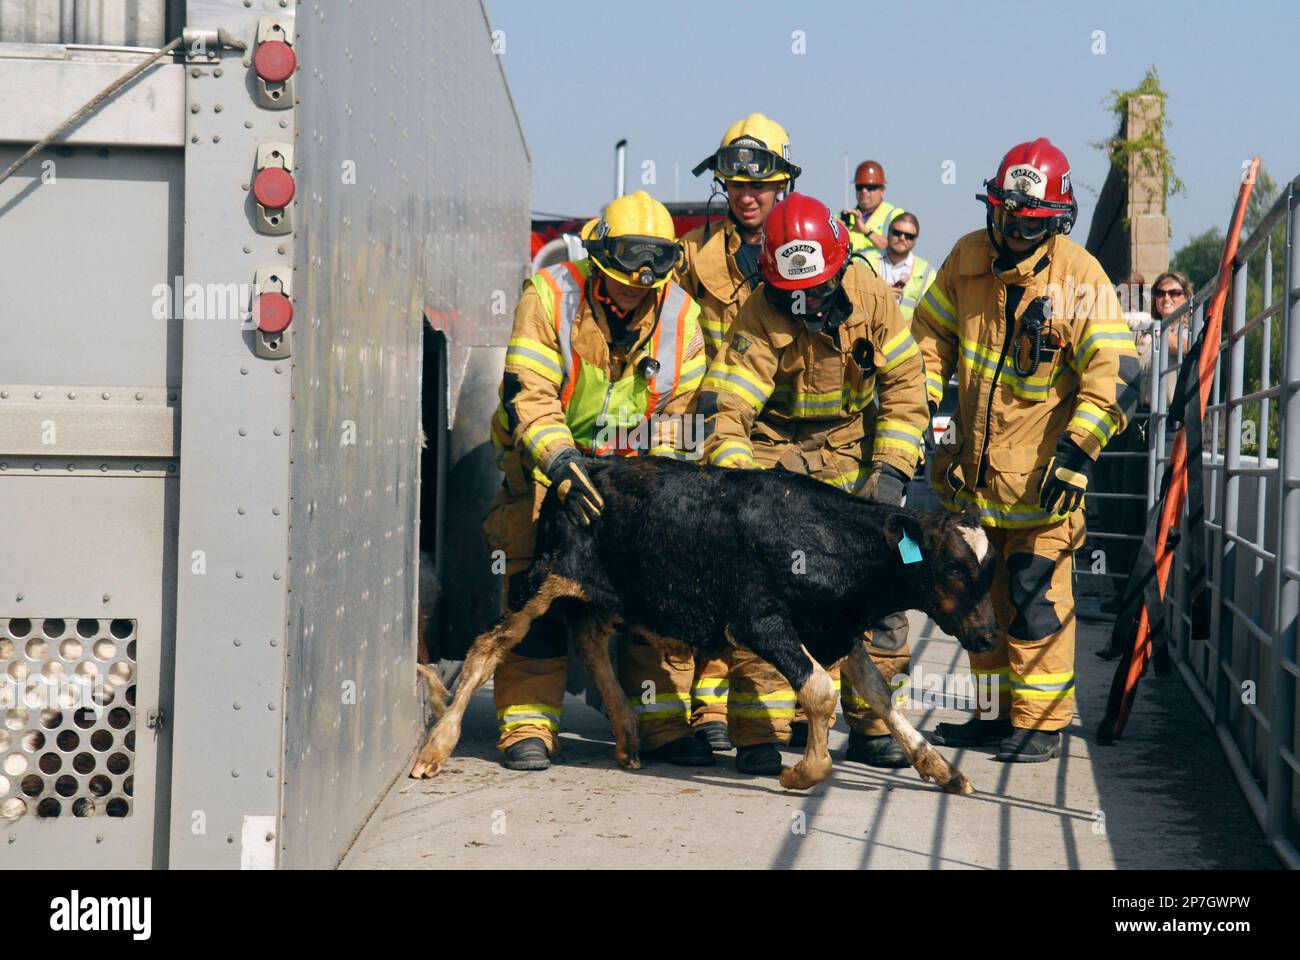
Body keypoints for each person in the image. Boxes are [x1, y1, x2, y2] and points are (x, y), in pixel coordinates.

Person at [913, 138, 1141, 761]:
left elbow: (1115, 372)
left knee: (1037, 605)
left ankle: (1041, 726)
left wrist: (1078, 452)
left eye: (1032, 221)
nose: (1016, 231)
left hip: (1044, 485)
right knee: (983, 608)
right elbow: (929, 335)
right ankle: (993, 717)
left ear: (1057, 220)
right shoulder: (966, 258)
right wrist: (927, 400)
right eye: (1009, 216)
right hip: (973, 487)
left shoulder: (1079, 275)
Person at [692, 192, 930, 774]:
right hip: (779, 468)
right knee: (766, 597)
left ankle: (874, 725)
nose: (808, 301)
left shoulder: (873, 296)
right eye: (794, 292)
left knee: (897, 582)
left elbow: (905, 390)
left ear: (841, 261)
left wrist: (892, 476)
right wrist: (749, 496)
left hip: (857, 468)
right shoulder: (757, 313)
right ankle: (758, 732)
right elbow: (728, 414)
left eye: (820, 287)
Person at [486, 190, 712, 771]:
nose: (633, 291)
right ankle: (527, 724)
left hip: (632, 474)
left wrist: (644, 485)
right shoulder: (549, 295)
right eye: (619, 278)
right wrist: (561, 462)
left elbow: (680, 416)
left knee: (651, 584)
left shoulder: (682, 317)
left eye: (646, 282)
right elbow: (528, 395)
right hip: (545, 462)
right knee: (534, 586)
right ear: (598, 262)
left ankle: (658, 720)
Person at [676, 113, 801, 752]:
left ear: (783, 184)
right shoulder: (694, 262)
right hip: (714, 436)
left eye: (761, 184)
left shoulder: (812, 249)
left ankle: (784, 709)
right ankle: (708, 712)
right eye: (735, 184)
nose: (747, 197)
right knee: (708, 574)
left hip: (789, 442)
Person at [862, 212, 935, 320]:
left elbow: (927, 316)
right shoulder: (864, 260)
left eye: (909, 236)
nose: (902, 238)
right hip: (866, 333)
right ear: (888, 232)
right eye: (897, 233)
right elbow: (853, 302)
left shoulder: (927, 272)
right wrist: (881, 296)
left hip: (907, 335)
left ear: (915, 240)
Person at [841, 160, 905, 252]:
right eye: (859, 187)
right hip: (851, 266)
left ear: (882, 190)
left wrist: (866, 231)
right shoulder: (843, 217)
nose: (864, 191)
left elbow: (898, 249)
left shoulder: (894, 215)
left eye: (870, 187)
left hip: (879, 266)